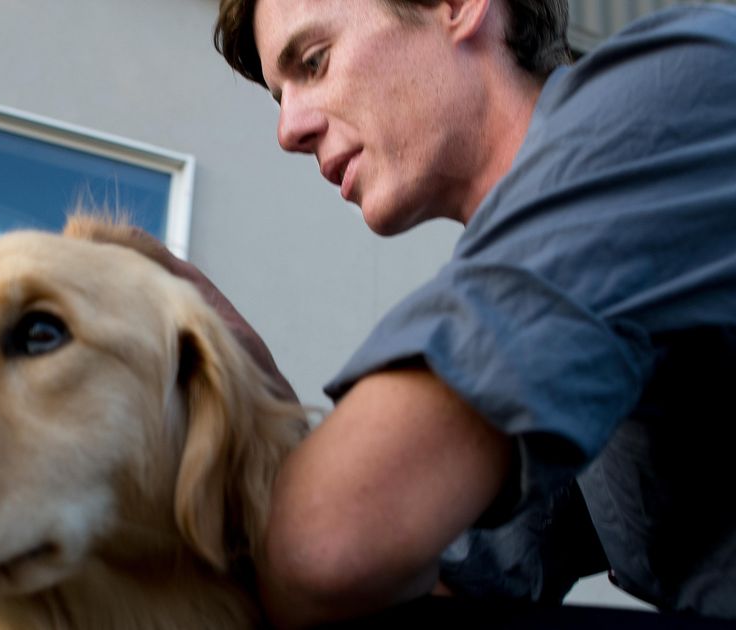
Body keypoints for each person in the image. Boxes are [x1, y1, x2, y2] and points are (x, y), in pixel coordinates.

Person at [200, 0, 736, 625]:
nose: (288, 130)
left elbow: (328, 540)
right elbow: (398, 584)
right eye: (279, 96)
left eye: (314, 62)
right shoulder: (551, 339)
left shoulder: (672, 94)